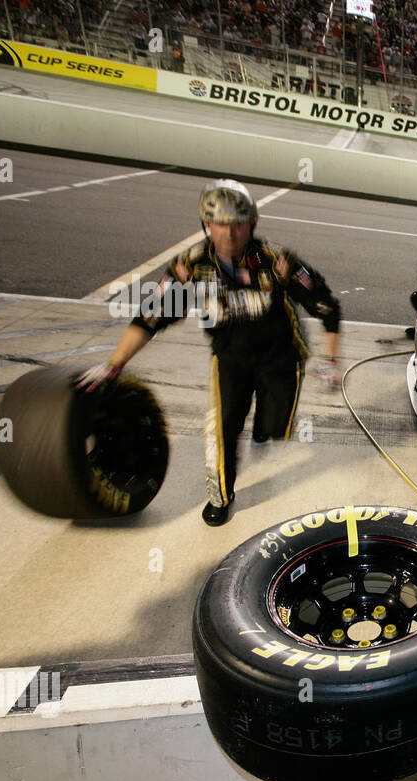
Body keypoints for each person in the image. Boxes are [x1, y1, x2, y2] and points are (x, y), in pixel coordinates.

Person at [77, 179, 341, 526]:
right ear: (206, 224)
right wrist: (113, 365)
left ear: (252, 224)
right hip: (229, 358)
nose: (230, 235)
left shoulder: (277, 261)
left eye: (238, 225)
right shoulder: (191, 267)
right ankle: (221, 497)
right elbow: (150, 317)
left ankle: (263, 423)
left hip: (282, 357)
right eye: (221, 225)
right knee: (222, 429)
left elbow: (327, 307)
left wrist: (330, 359)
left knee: (275, 428)